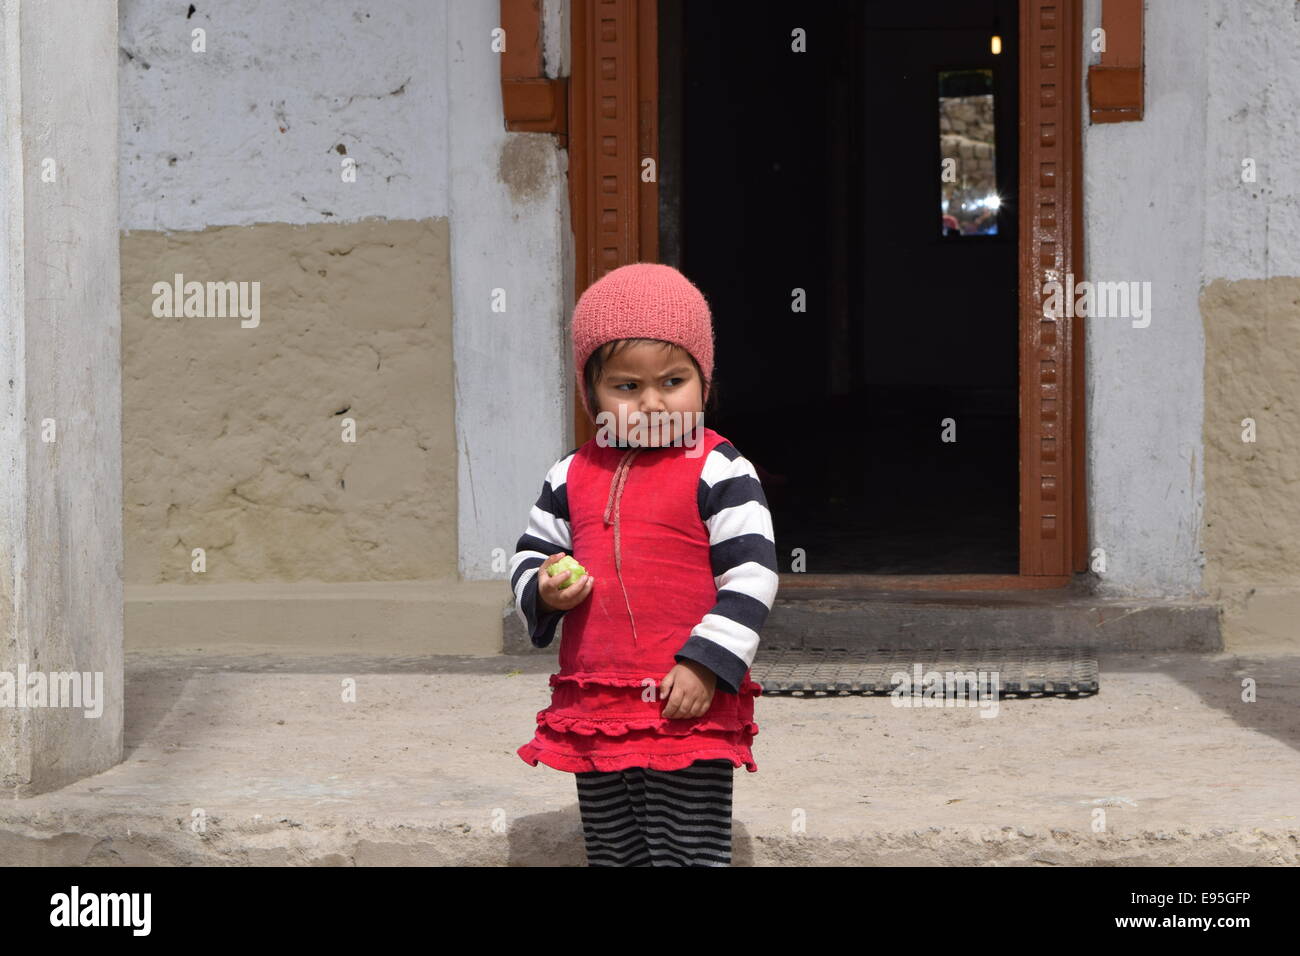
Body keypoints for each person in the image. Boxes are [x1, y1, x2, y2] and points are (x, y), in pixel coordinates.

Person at [509, 262, 780, 866]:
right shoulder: (570, 474)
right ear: (592, 393)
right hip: (597, 703)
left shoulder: (721, 468)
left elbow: (753, 575)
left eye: (673, 381)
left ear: (703, 383)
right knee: (613, 851)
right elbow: (531, 554)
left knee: (688, 852)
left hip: (685, 699)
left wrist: (705, 664)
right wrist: (545, 587)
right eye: (627, 387)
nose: (653, 402)